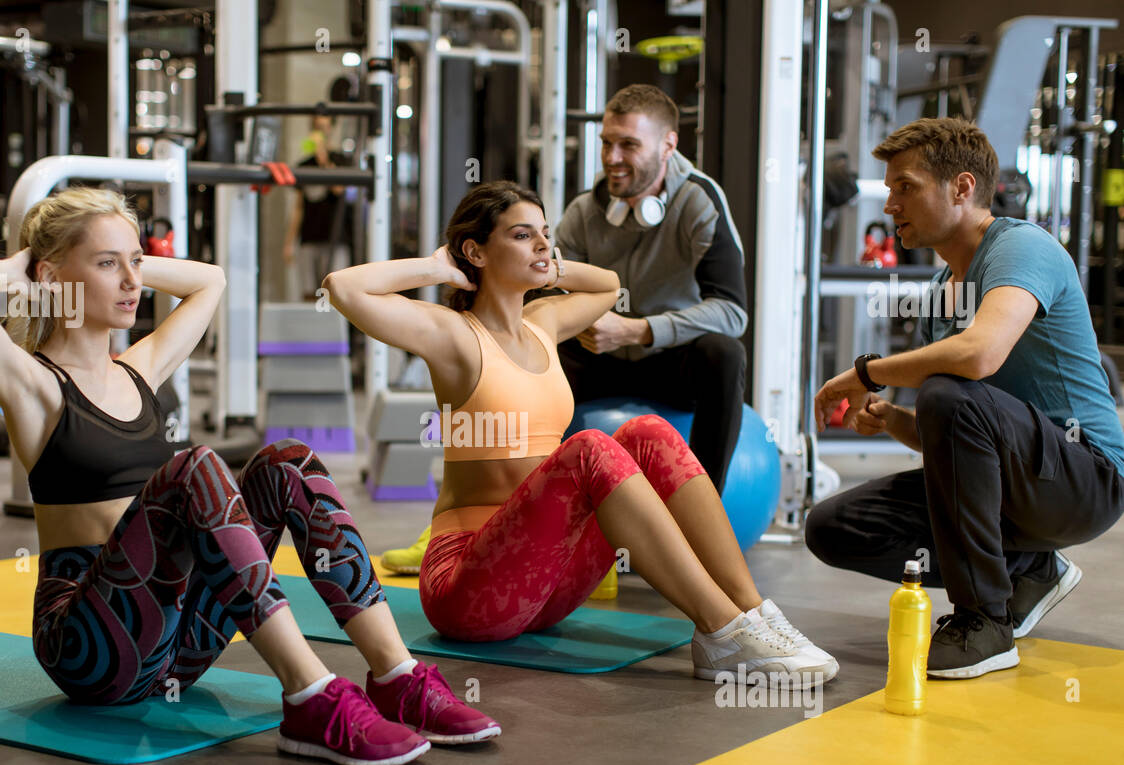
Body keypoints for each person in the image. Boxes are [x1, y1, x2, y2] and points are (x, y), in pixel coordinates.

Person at [0, 186, 498, 765]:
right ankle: (310, 696)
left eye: (136, 263)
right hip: (90, 650)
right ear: (50, 275)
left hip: (177, 647)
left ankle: (396, 676)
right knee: (193, 467)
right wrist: (26, 270)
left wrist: (113, 250)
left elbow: (211, 280)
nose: (132, 282)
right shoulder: (35, 387)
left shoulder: (139, 371)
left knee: (288, 461)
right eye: (106, 265)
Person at [326, 181, 838, 681]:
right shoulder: (453, 335)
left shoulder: (542, 323)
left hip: (547, 587)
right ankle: (722, 631)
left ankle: (752, 611)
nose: (543, 244)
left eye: (546, 232)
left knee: (649, 433)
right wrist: (439, 267)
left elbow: (609, 285)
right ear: (476, 252)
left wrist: (553, 264)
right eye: (523, 234)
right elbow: (343, 287)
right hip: (469, 589)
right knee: (590, 447)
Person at [381, 84, 749, 574]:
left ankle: (702, 526)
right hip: (597, 354)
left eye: (629, 145)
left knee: (724, 355)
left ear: (668, 146)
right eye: (606, 143)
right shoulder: (583, 210)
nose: (612, 158)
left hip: (667, 358)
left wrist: (640, 331)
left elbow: (731, 310)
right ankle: (473, 518)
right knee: (504, 360)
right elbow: (539, 289)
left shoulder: (700, 204)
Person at [806, 118, 1124, 679]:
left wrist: (866, 374)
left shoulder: (1022, 246)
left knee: (951, 390)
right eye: (890, 190)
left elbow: (978, 357)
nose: (890, 205)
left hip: (1087, 479)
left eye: (905, 187)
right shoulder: (938, 293)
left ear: (962, 187)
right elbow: (951, 433)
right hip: (1015, 488)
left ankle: (985, 621)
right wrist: (895, 420)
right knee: (832, 526)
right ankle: (1030, 568)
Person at [284, 114, 354, 302]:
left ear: (331, 129)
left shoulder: (341, 160)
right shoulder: (303, 165)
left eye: (324, 127)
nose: (320, 132)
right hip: (309, 237)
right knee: (309, 292)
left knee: (337, 292)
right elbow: (299, 207)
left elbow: (339, 190)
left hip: (336, 237)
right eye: (316, 127)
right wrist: (289, 242)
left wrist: (323, 160)